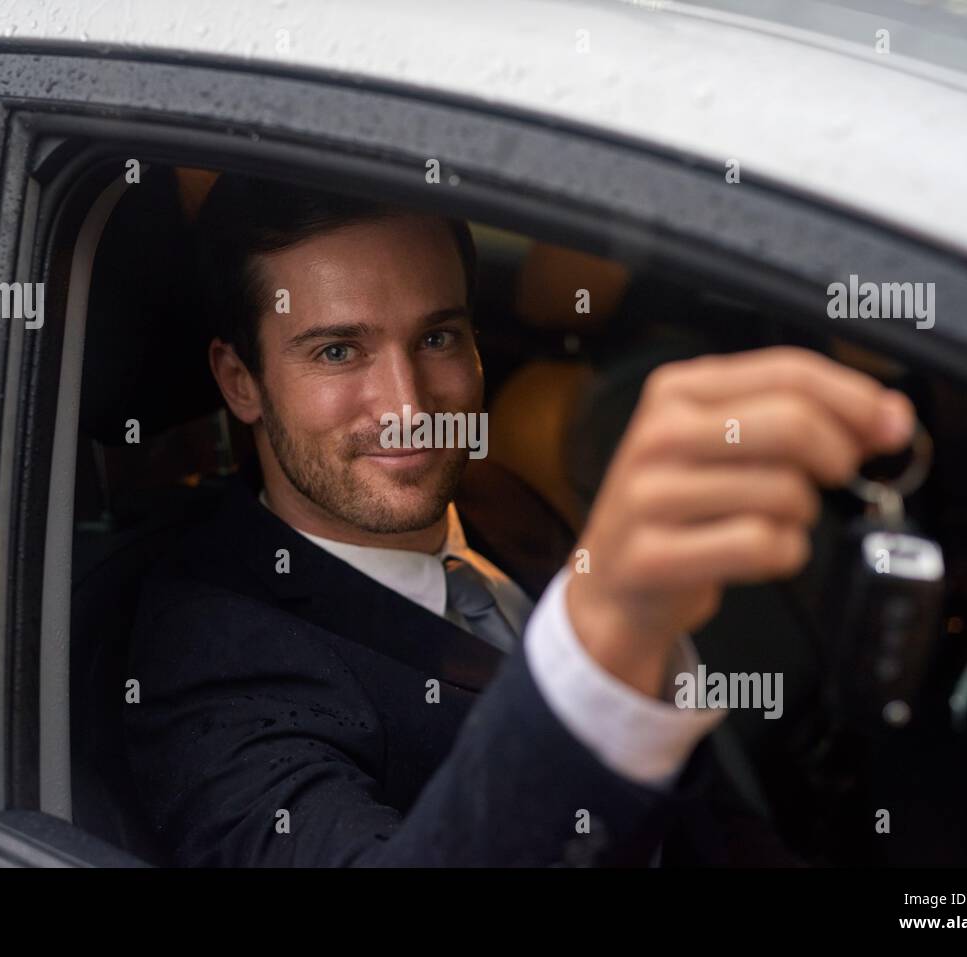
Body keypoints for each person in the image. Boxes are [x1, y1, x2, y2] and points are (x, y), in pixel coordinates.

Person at [123, 174, 916, 866]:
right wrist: (600, 642)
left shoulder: (499, 498)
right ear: (241, 380)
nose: (408, 408)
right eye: (337, 352)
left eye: (436, 336)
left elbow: (708, 820)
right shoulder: (212, 665)